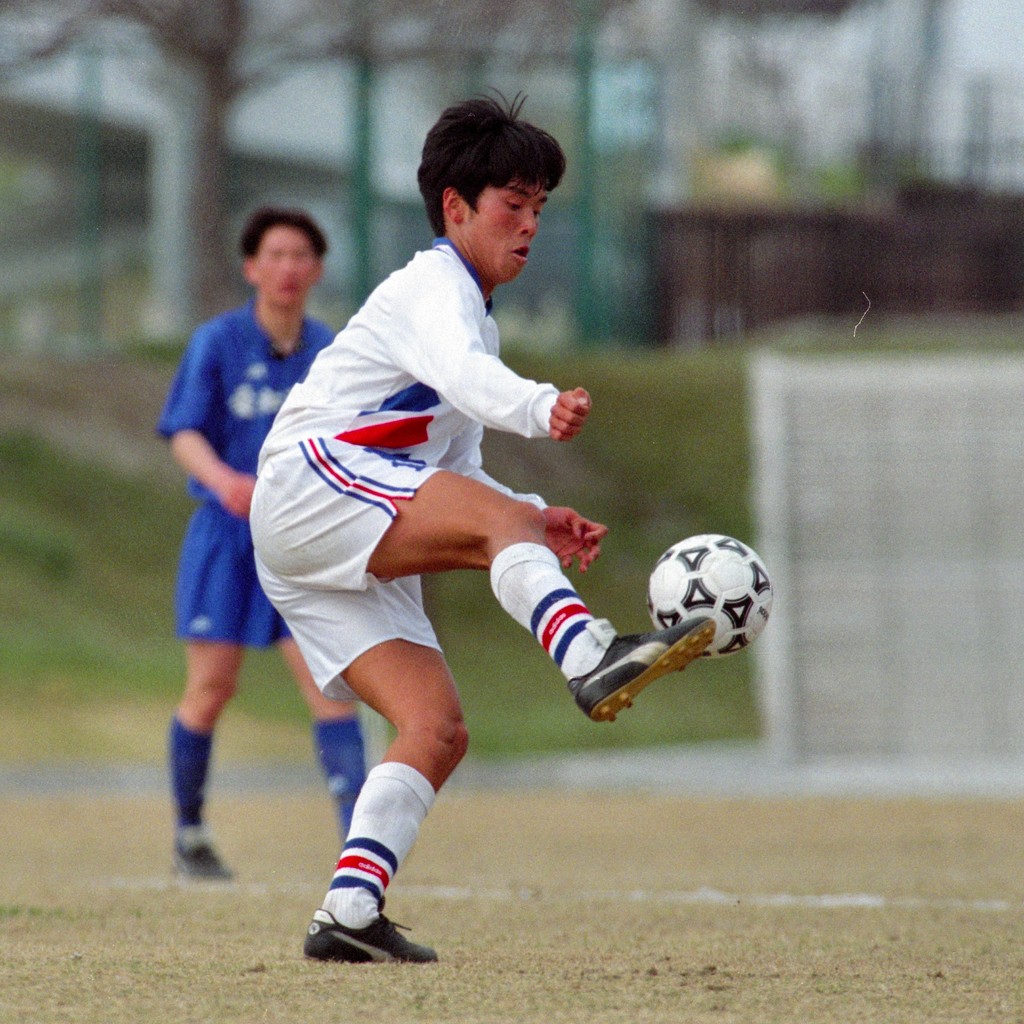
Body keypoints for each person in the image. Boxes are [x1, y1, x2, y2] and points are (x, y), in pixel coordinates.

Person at [249, 95, 715, 961]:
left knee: (436, 728)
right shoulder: (433, 288)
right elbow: (467, 378)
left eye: (541, 206)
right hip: (311, 483)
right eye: (513, 203)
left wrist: (530, 517)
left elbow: (457, 466)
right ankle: (588, 656)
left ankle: (348, 911)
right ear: (455, 207)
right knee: (498, 528)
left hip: (317, 533)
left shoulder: (472, 311)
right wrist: (540, 408)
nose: (531, 224)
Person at [158, 206, 367, 880]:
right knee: (212, 686)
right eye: (275, 255)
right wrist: (225, 482)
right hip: (226, 537)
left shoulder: (331, 351)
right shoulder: (217, 342)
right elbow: (184, 430)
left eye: (301, 255)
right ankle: (190, 836)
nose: (288, 268)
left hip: (301, 540)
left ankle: (360, 851)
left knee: (331, 686)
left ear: (318, 270)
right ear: (252, 267)